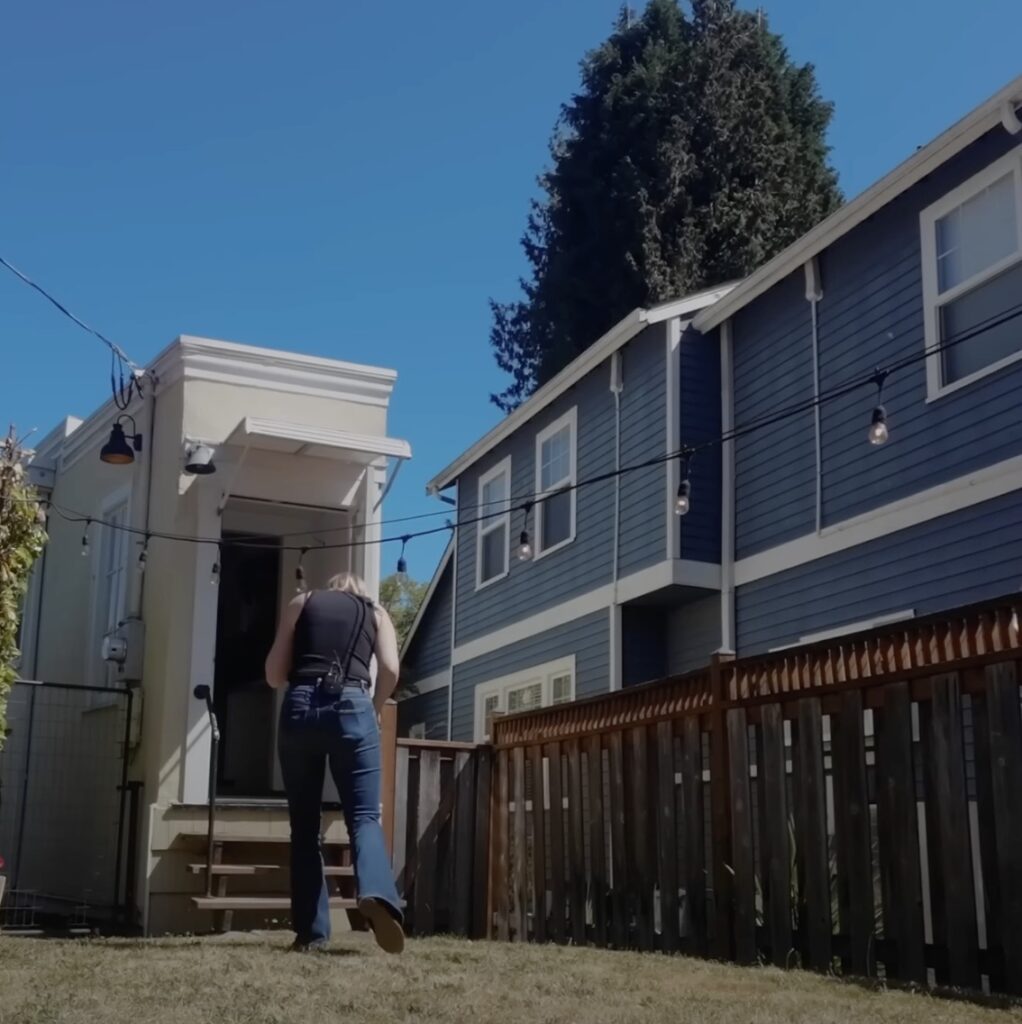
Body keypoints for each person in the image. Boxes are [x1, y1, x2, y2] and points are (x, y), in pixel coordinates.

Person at [264, 571, 404, 954]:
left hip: (301, 705)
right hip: (353, 704)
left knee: (305, 827)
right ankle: (376, 893)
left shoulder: (302, 602)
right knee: (364, 816)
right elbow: (391, 669)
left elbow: (273, 675)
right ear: (360, 591)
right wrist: (374, 708)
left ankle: (312, 934)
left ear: (331, 588)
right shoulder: (375, 613)